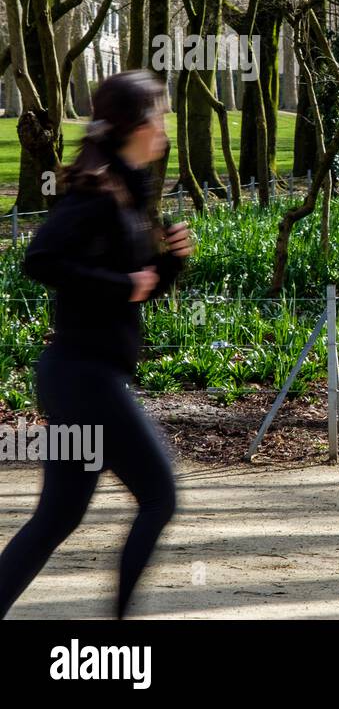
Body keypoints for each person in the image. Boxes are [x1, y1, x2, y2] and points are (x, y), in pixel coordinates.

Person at [0, 71, 194, 620]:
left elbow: (132, 292)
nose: (165, 124)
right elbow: (39, 260)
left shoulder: (127, 188)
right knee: (160, 496)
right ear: (137, 124)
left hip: (78, 378)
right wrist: (124, 283)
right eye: (159, 113)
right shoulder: (97, 192)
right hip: (85, 379)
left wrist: (167, 264)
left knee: (56, 519)